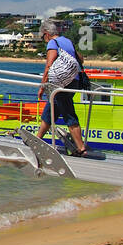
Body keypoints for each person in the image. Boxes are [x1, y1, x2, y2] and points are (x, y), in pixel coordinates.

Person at [35, 20, 89, 156]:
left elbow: (49, 65)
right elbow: (80, 59)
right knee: (51, 109)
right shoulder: (67, 41)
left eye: (42, 38)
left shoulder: (53, 43)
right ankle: (37, 139)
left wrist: (42, 86)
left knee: (68, 113)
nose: (44, 41)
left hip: (62, 83)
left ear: (46, 34)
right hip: (74, 81)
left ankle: (81, 148)